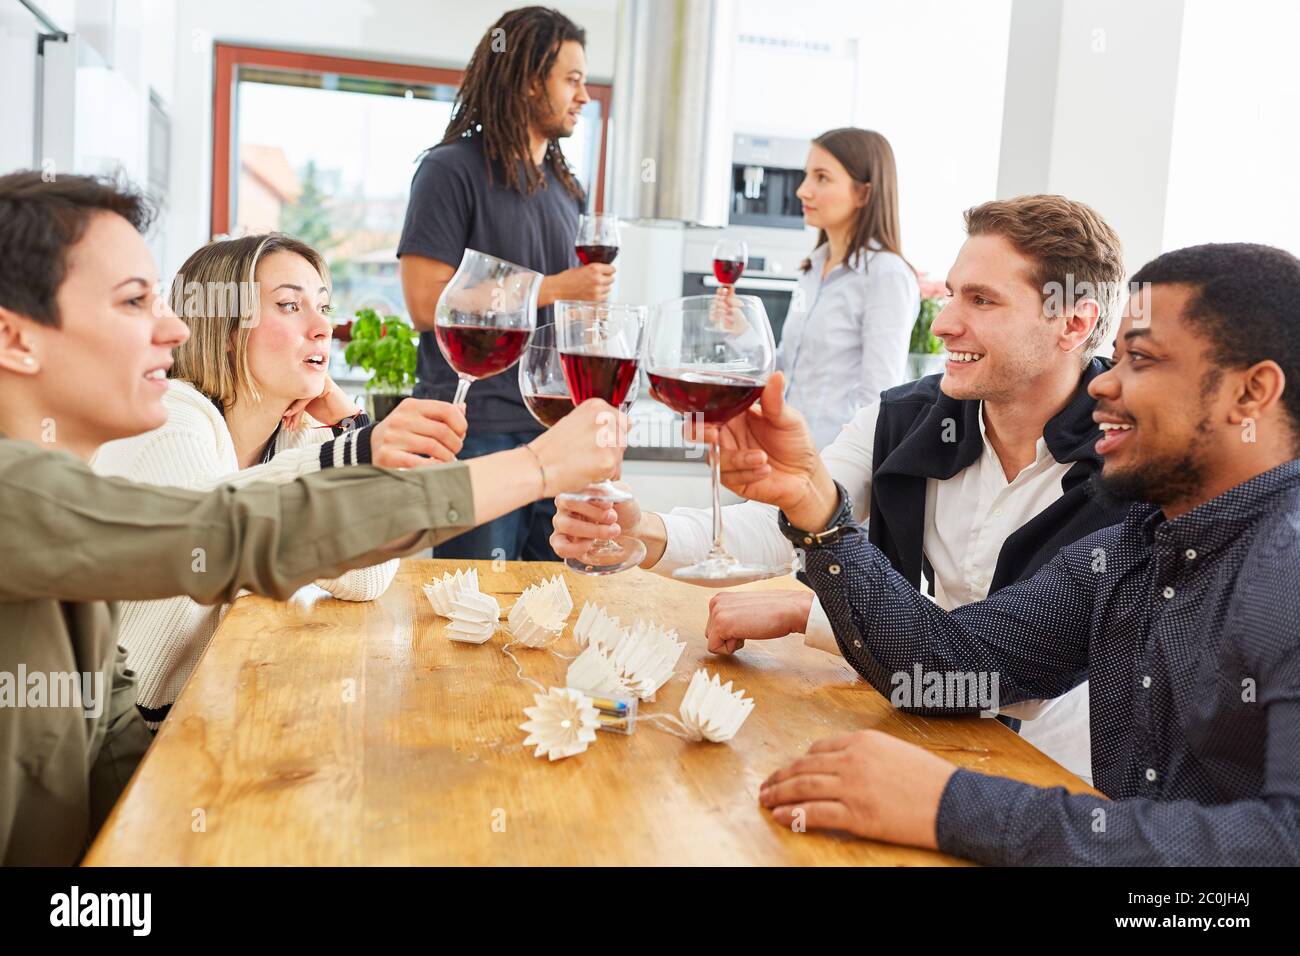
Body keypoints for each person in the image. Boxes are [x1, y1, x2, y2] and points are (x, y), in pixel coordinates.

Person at [0, 170, 625, 865]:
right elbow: (231, 531)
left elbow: (111, 734)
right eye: (132, 302)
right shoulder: (19, 494)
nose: (173, 327)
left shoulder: (56, 494)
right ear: (16, 340)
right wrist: (534, 469)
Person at [719, 242, 1300, 865]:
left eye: (1141, 359)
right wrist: (818, 512)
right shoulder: (1136, 549)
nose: (1103, 381)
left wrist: (954, 804)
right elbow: (944, 665)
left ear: (1251, 393)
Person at [553, 195, 1129, 781]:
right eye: (952, 292)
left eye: (982, 300)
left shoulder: (1132, 464)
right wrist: (643, 533)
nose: (946, 321)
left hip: (1055, 780)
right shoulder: (910, 418)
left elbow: (994, 672)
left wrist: (815, 609)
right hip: (918, 739)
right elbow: (789, 512)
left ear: (1073, 323)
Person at [91, 233, 470, 728]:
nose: (321, 328)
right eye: (290, 305)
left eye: (323, 307)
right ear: (223, 329)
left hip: (199, 723)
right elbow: (215, 523)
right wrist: (354, 451)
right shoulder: (167, 419)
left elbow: (366, 577)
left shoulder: (294, 437)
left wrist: (348, 422)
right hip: (111, 746)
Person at [398, 5, 611, 562]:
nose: (583, 96)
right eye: (571, 79)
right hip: (473, 430)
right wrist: (551, 289)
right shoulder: (449, 170)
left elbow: (567, 309)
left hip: (553, 425)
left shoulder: (568, 192)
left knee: (554, 608)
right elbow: (425, 302)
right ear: (525, 80)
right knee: (472, 610)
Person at [779, 127, 919, 449]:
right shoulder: (812, 270)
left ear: (863, 194)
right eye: (806, 176)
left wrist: (841, 469)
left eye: (821, 178)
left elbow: (877, 397)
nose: (803, 190)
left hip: (833, 464)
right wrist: (742, 331)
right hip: (786, 455)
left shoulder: (886, 276)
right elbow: (788, 364)